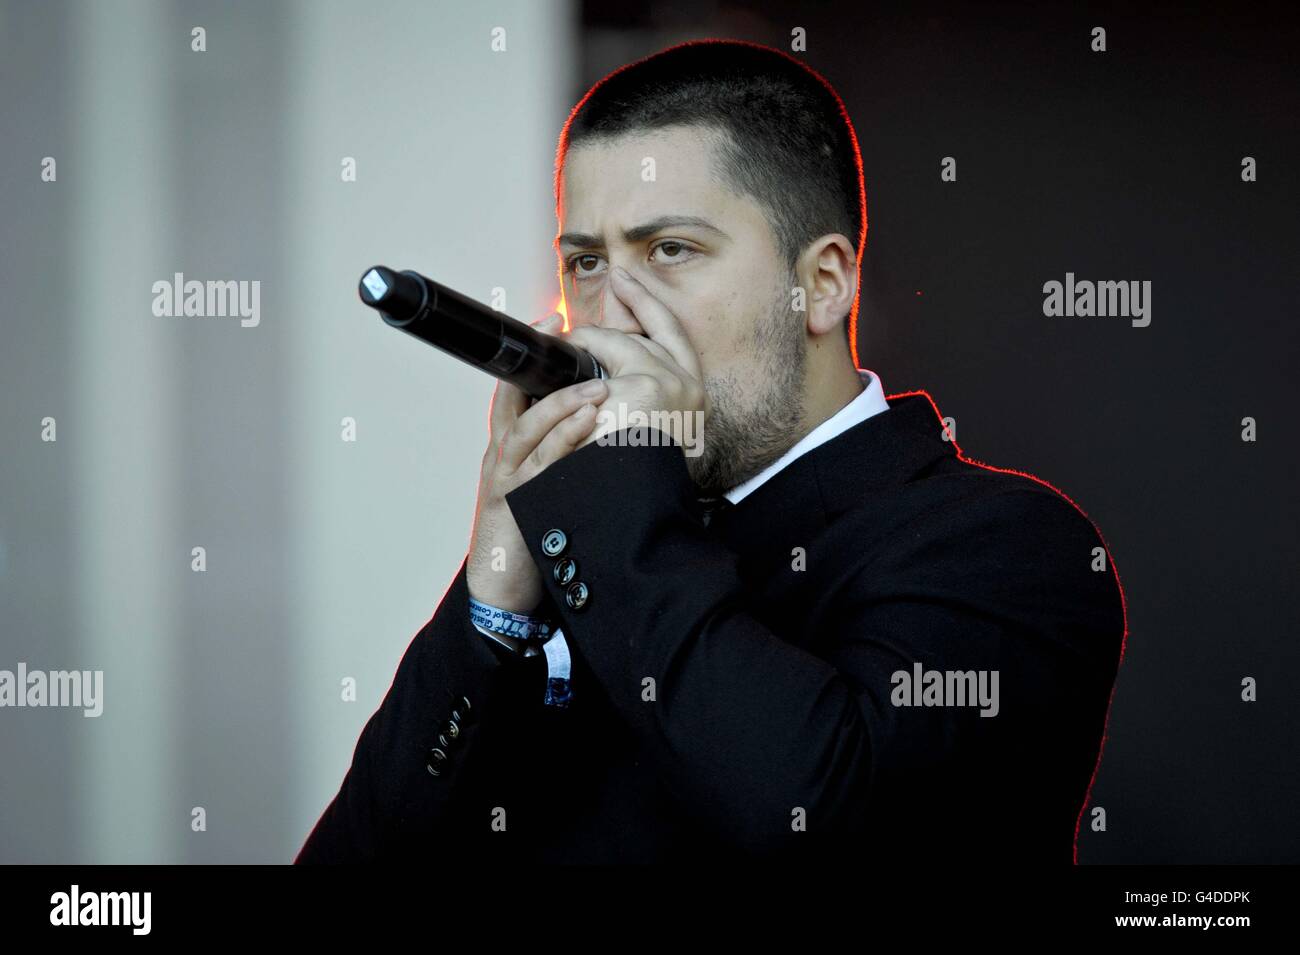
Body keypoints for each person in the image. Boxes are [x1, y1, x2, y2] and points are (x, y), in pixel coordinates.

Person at [295, 39, 1125, 864]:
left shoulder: (1008, 546)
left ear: (825, 283)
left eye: (670, 251)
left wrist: (616, 506)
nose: (613, 316)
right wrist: (492, 604)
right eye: (586, 262)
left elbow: (822, 821)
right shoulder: (584, 548)